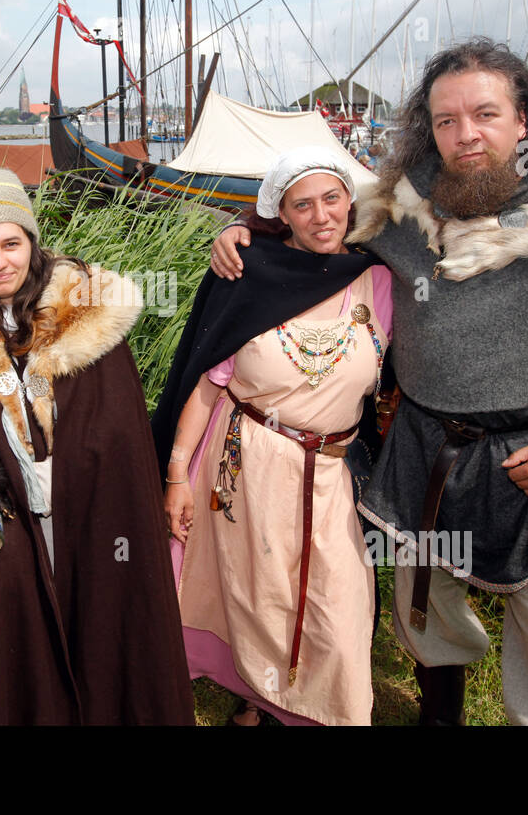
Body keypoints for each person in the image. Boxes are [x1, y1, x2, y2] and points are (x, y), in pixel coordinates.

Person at [210, 39, 528, 725]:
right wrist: (247, 229)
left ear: (525, 124)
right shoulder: (402, 214)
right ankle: (439, 715)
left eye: (485, 114)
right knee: (425, 612)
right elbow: (319, 223)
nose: (465, 134)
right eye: (446, 119)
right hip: (424, 453)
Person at [0, 167, 195, 725]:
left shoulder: (87, 320)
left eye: (10, 243)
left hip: (93, 516)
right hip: (6, 524)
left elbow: (117, 437)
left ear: (31, 242)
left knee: (102, 626)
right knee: (14, 638)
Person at [153, 146, 389, 726]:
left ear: (350, 202)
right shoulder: (250, 273)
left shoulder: (380, 278)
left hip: (331, 470)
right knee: (246, 590)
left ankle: (325, 709)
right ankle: (257, 694)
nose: (321, 215)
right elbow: (208, 383)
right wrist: (176, 474)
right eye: (301, 204)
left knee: (334, 605)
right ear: (281, 213)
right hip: (243, 462)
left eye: (331, 199)